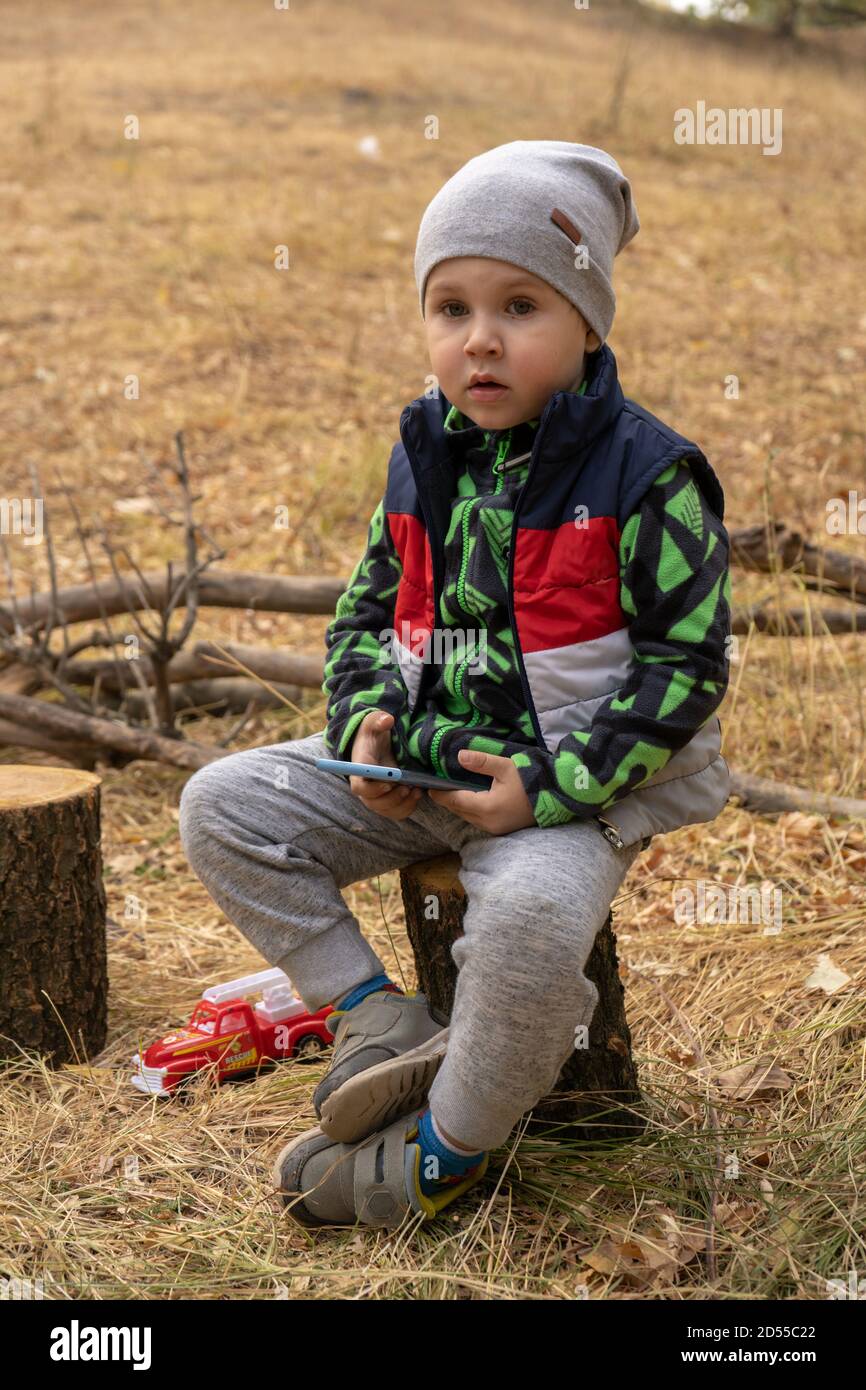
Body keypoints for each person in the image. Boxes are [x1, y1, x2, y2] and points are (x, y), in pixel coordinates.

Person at [178, 140, 732, 1230]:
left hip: (564, 789)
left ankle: (446, 1146)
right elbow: (366, 614)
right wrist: (367, 726)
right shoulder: (422, 454)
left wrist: (548, 787)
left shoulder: (645, 475)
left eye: (520, 304)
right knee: (221, 805)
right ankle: (376, 1017)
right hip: (429, 762)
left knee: (525, 925)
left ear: (586, 323)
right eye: (449, 306)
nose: (478, 338)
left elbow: (686, 670)